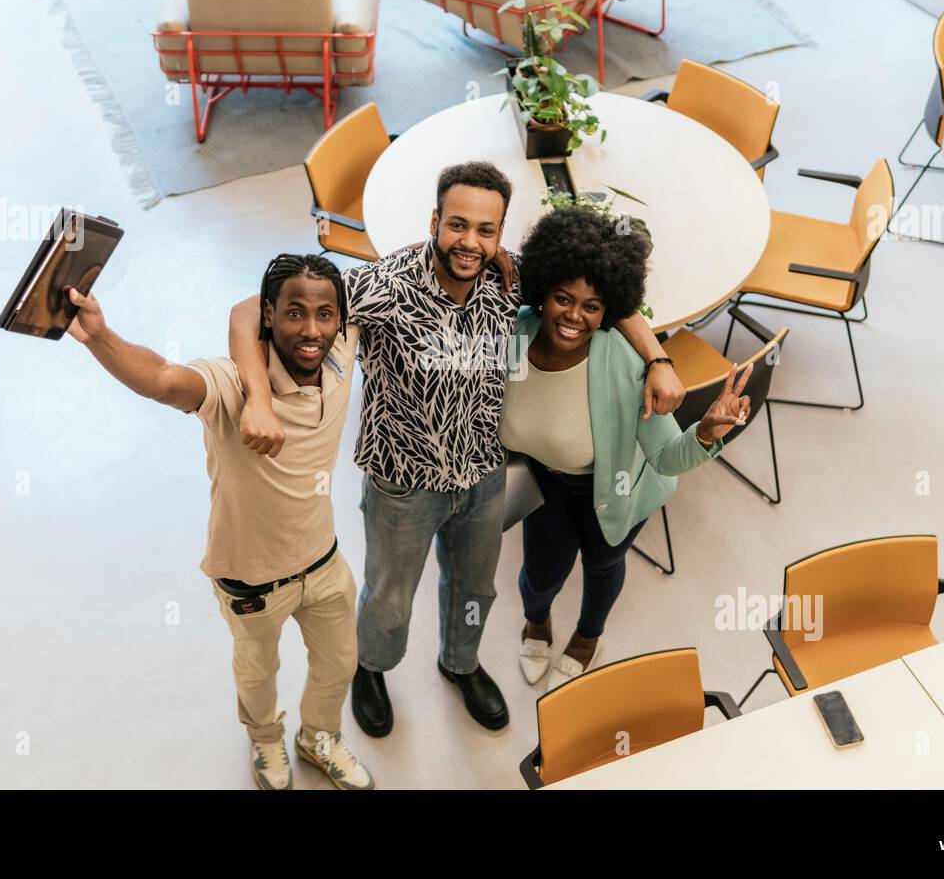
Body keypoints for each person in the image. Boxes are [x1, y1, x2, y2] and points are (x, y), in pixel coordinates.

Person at [228, 162, 687, 738]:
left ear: (499, 235)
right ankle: (371, 668)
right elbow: (249, 310)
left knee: (475, 588)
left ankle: (461, 663)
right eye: (458, 225)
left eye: (485, 230)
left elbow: (602, 296)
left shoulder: (508, 283)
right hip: (403, 484)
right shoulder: (384, 287)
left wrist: (658, 359)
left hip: (484, 476)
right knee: (391, 597)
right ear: (434, 222)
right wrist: (258, 399)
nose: (470, 241)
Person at [64, 254, 374, 790]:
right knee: (258, 674)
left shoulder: (341, 349)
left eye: (325, 315)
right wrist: (100, 338)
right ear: (270, 317)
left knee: (340, 663)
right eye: (294, 313)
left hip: (324, 563)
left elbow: (252, 307)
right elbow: (162, 379)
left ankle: (319, 738)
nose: (312, 330)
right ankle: (266, 738)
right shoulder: (231, 384)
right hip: (252, 582)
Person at [500, 206, 752, 688]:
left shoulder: (623, 359)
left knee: (603, 564)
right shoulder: (512, 334)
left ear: (609, 312)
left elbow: (665, 457)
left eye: (592, 306)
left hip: (615, 487)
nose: (574, 316)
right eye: (562, 298)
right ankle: (536, 622)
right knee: (540, 574)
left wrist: (705, 432)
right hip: (539, 481)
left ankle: (587, 636)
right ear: (542, 292)